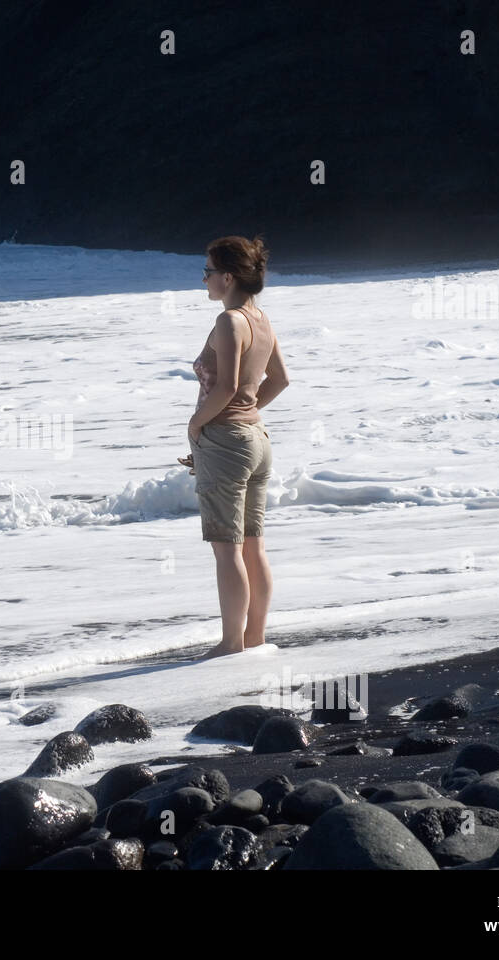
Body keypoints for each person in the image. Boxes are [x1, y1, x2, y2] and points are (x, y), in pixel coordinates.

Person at [181, 235, 291, 659]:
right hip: (256, 440)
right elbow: (278, 380)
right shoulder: (261, 320)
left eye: (207, 272)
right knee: (253, 545)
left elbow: (225, 387)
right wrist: (245, 413)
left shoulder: (229, 322)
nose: (204, 280)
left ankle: (230, 644)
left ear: (227, 277)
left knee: (227, 550)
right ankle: (254, 638)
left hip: (226, 440)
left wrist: (197, 425)